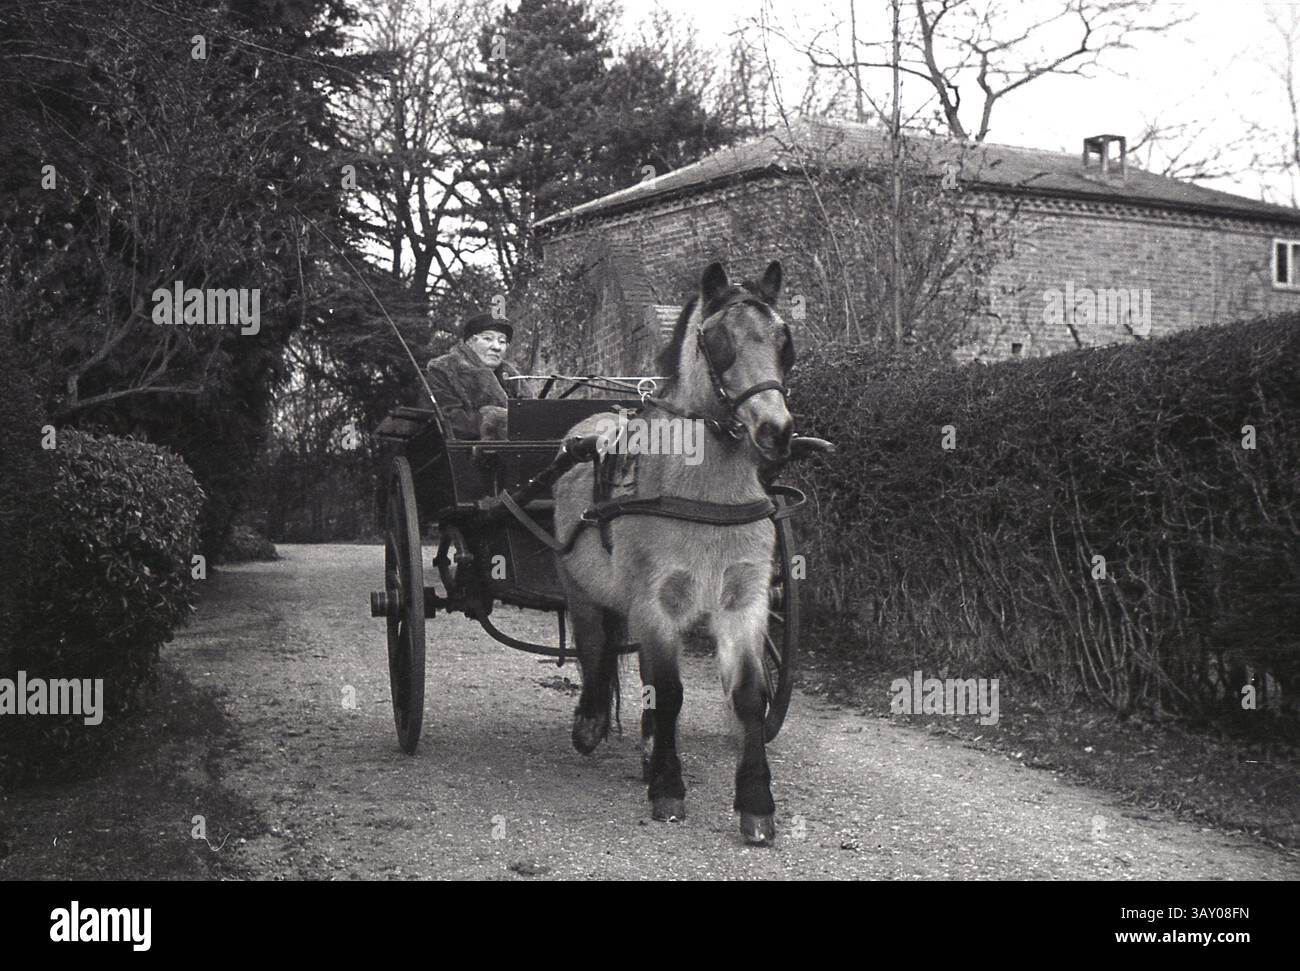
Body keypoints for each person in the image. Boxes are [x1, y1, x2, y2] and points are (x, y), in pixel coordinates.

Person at [426, 311, 528, 439]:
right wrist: (494, 419)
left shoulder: (512, 378)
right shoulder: (444, 370)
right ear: (469, 342)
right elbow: (447, 419)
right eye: (487, 338)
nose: (497, 347)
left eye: (502, 341)